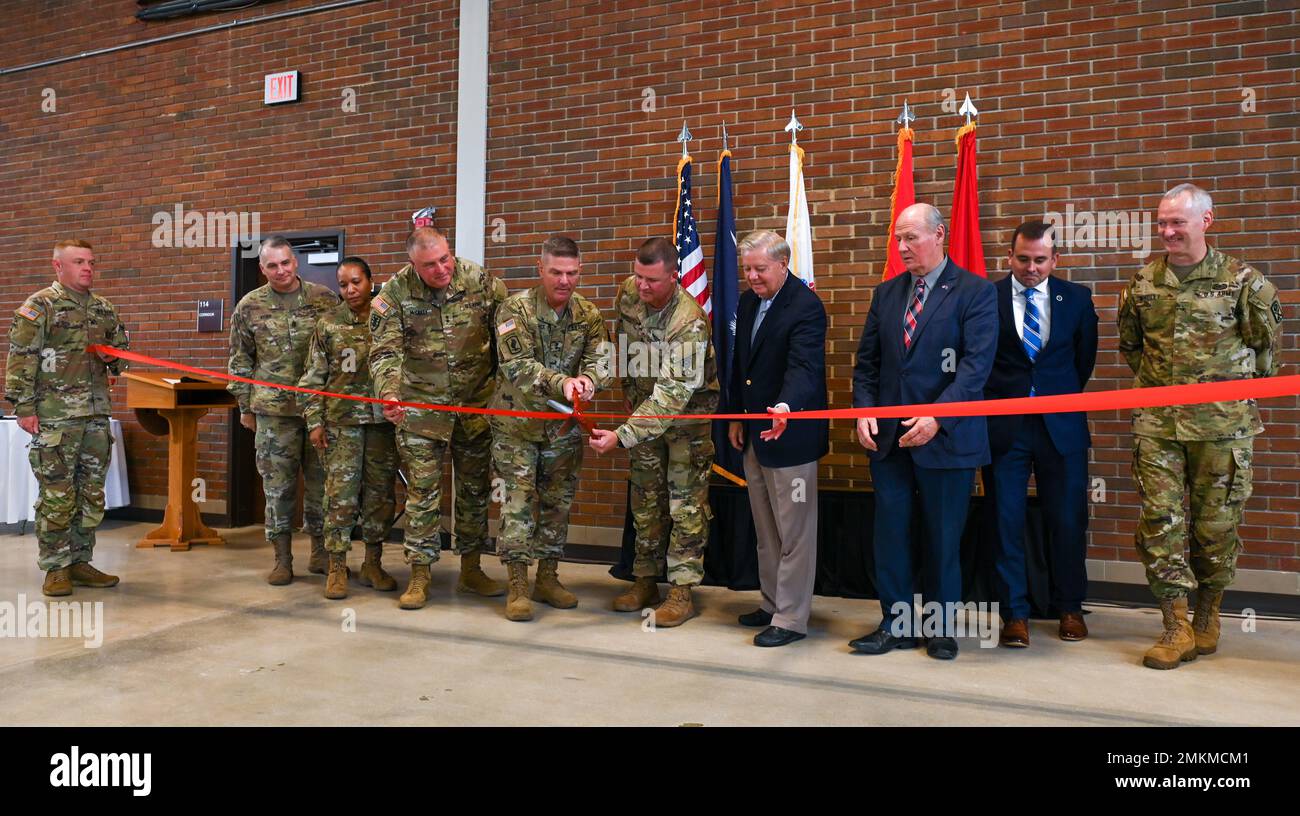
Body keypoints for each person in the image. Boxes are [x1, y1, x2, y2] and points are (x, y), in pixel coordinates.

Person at [1118, 183, 1282, 670]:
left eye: (1178, 223)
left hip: (1223, 430)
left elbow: (1265, 354)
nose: (1168, 231)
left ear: (1205, 222)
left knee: (1215, 527)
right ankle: (1175, 623)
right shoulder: (1142, 284)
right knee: (1160, 522)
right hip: (1158, 429)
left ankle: (1208, 613)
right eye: (1162, 223)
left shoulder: (1244, 282)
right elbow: (1132, 348)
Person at [850, 203, 997, 660]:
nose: (902, 247)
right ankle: (895, 624)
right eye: (898, 238)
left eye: (911, 238)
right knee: (891, 535)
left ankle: (941, 627)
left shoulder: (975, 292)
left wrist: (938, 417)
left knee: (941, 537)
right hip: (889, 441)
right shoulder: (886, 294)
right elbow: (867, 365)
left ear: (940, 235)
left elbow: (975, 369)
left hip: (947, 439)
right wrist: (863, 412)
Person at [369, 226, 508, 609]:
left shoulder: (480, 280)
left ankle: (472, 568)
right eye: (430, 265)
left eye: (445, 258)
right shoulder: (394, 294)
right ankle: (419, 573)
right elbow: (384, 351)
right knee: (422, 494)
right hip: (419, 407)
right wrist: (389, 392)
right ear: (413, 264)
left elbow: (509, 336)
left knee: (474, 491)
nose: (442, 268)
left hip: (475, 406)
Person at [589, 237, 719, 627]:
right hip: (643, 416)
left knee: (685, 507)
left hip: (686, 423)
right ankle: (645, 579)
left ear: (674, 277)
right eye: (638, 276)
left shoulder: (689, 322)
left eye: (652, 281)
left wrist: (622, 435)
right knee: (645, 502)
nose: (642, 287)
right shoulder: (628, 293)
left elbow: (671, 396)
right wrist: (617, 388)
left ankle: (681, 592)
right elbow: (623, 345)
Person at [982, 221, 1098, 647]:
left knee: (1067, 520)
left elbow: (1082, 362)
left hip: (1060, 427)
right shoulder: (986, 297)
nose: (1031, 268)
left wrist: (1054, 397)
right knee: (1004, 520)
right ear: (1009, 257)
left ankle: (1069, 607)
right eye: (1023, 259)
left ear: (1055, 259)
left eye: (1041, 260)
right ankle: (1014, 614)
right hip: (1004, 428)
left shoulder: (1077, 299)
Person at [490, 236, 610, 621]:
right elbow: (517, 366)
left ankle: (547, 576)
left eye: (572, 273)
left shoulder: (589, 315)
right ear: (540, 268)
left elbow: (602, 361)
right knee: (519, 503)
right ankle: (518, 584)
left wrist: (591, 381)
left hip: (563, 430)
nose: (564, 280)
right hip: (517, 426)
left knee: (558, 505)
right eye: (556, 272)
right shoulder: (515, 309)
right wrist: (563, 383)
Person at [5, 239, 129, 596]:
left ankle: (80, 561)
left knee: (90, 493)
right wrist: (24, 407)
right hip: (55, 417)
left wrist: (113, 358)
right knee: (58, 494)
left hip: (95, 415)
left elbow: (123, 357)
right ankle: (55, 568)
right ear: (59, 266)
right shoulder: (39, 306)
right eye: (79, 262)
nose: (87, 267)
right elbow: (21, 358)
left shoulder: (104, 309)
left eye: (91, 261)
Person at [724, 230, 828, 647]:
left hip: (792, 437)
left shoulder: (806, 306)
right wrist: (736, 416)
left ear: (784, 264)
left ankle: (790, 618)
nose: (752, 276)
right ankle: (770, 602)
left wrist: (786, 405)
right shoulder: (749, 302)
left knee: (795, 534)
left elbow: (804, 368)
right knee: (766, 530)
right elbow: (741, 362)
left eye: (760, 268)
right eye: (747, 268)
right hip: (754, 432)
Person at [229, 236, 339, 585]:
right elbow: (240, 359)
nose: (281, 271)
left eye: (286, 263)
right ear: (262, 269)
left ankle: (320, 554)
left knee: (323, 484)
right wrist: (245, 407)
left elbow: (339, 349)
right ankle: (282, 558)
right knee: (277, 487)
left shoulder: (324, 299)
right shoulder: (249, 306)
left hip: (318, 410)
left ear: (296, 262)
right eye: (272, 265)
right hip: (273, 411)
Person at [298, 257, 399, 600]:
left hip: (382, 424)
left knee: (380, 496)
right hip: (341, 424)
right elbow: (313, 378)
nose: (350, 290)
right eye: (343, 284)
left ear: (371, 281)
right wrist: (314, 421)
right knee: (339, 498)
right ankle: (337, 566)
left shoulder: (387, 318)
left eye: (356, 282)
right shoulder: (327, 324)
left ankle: (373, 563)